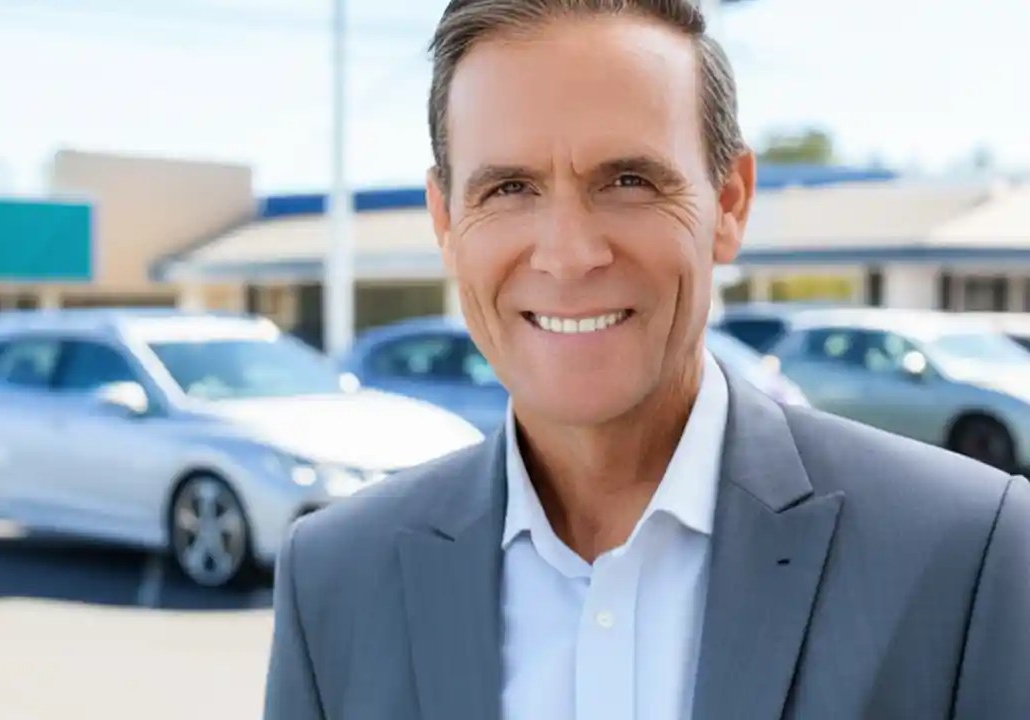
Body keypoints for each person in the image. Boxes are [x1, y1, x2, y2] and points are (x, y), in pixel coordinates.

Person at [264, 1, 1030, 718]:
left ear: (729, 203)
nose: (568, 255)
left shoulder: (965, 551)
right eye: (508, 188)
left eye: (628, 181)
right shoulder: (334, 579)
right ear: (445, 220)